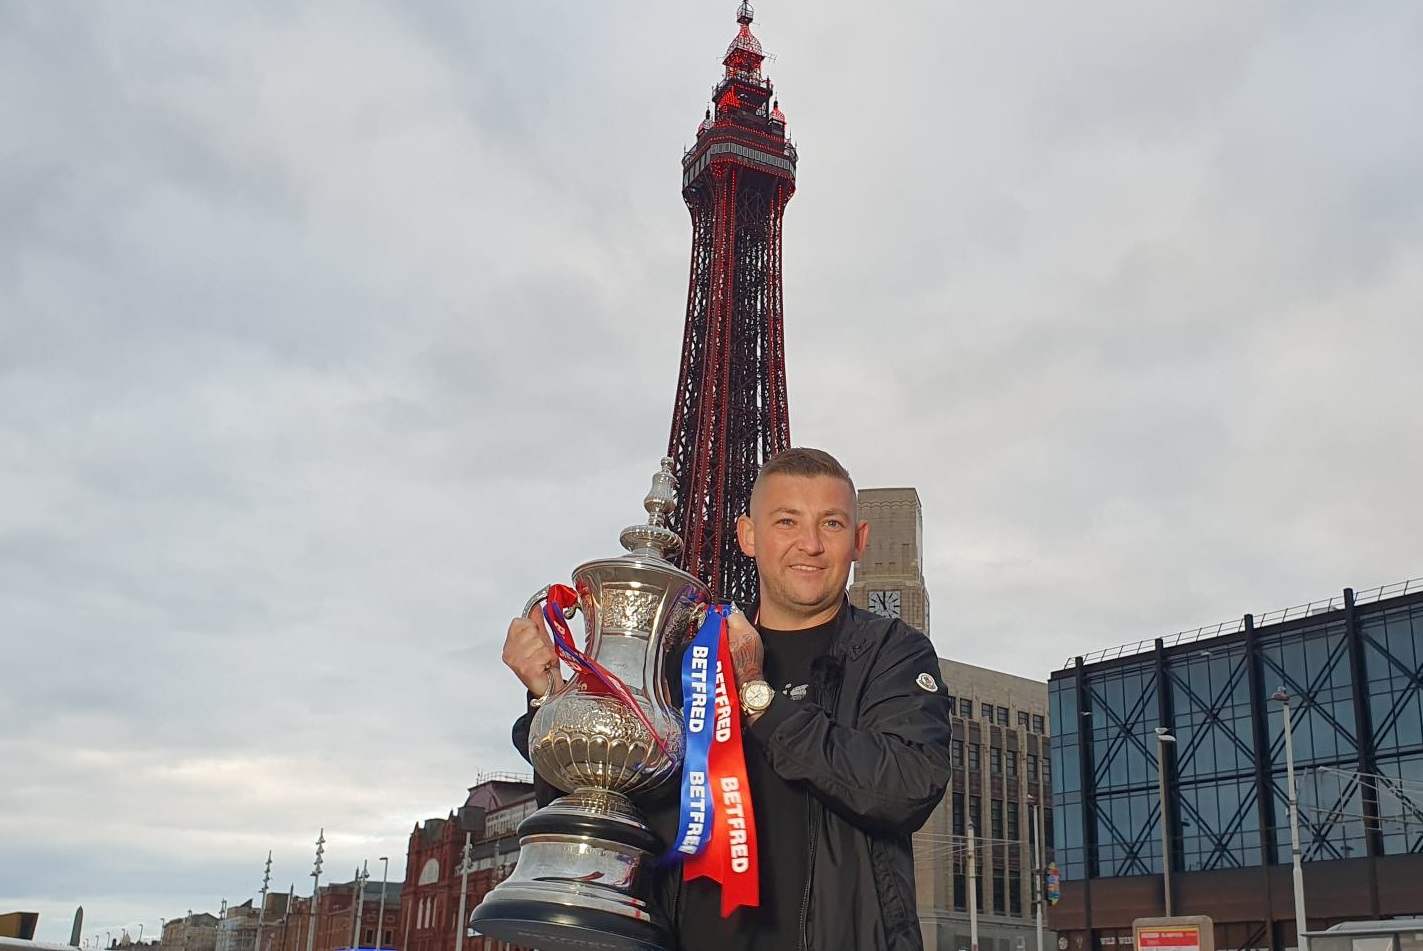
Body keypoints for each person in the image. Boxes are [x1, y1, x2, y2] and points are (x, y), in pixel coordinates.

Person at [503, 448, 953, 950]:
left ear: (858, 541)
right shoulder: (683, 661)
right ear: (748, 536)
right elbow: (598, 811)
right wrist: (548, 696)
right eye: (787, 521)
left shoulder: (892, 654)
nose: (810, 544)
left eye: (831, 524)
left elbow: (907, 786)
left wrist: (756, 695)